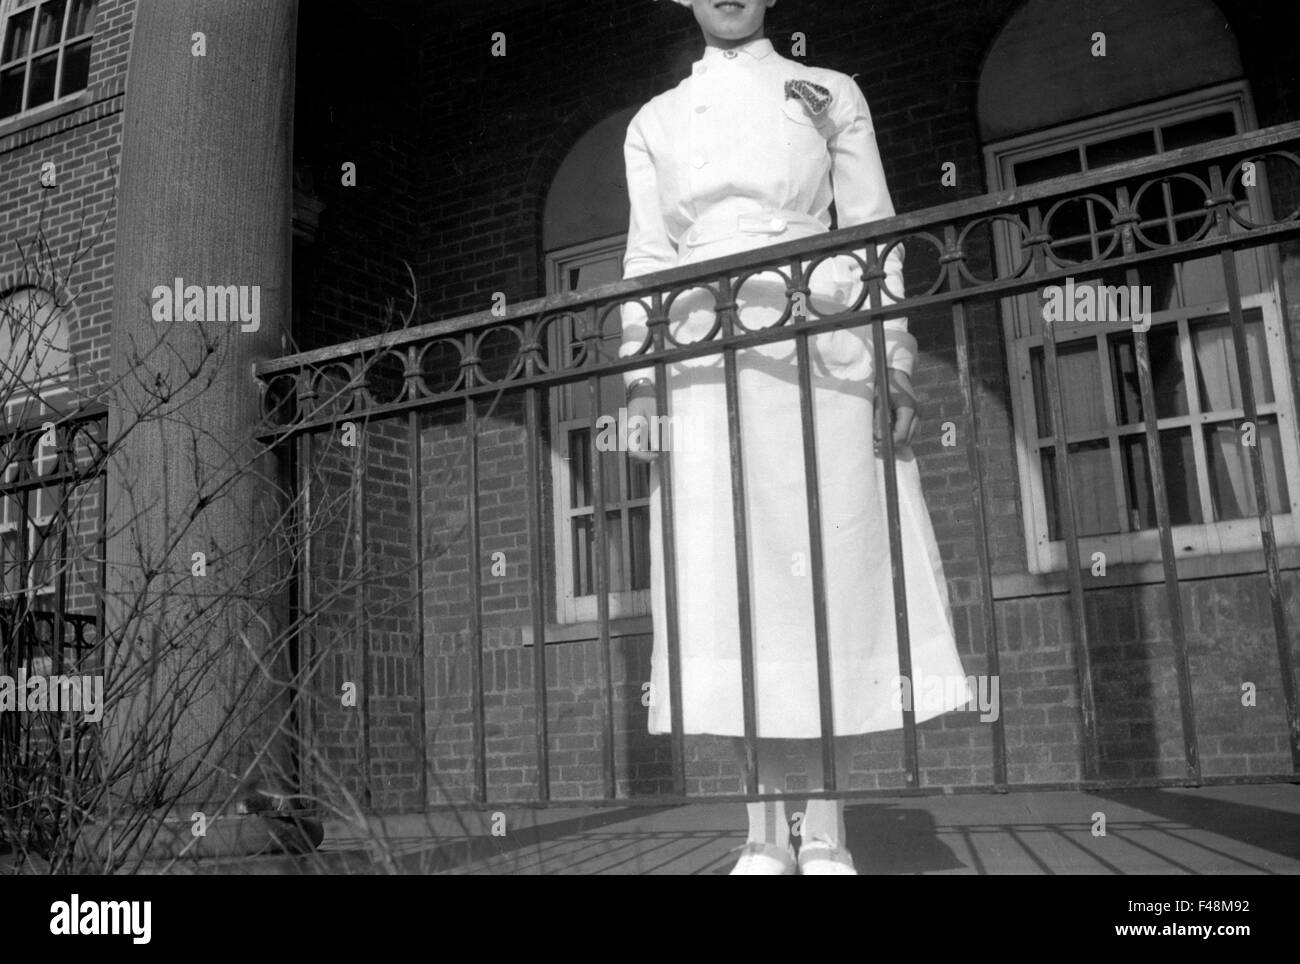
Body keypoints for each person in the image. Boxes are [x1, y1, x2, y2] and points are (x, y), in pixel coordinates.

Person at [619, 0, 970, 874]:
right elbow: (646, 258)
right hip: (703, 357)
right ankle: (762, 835)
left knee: (822, 584)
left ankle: (825, 831)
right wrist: (638, 379)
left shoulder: (830, 91)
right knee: (730, 589)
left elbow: (873, 230)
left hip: (821, 344)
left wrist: (891, 359)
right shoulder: (654, 123)